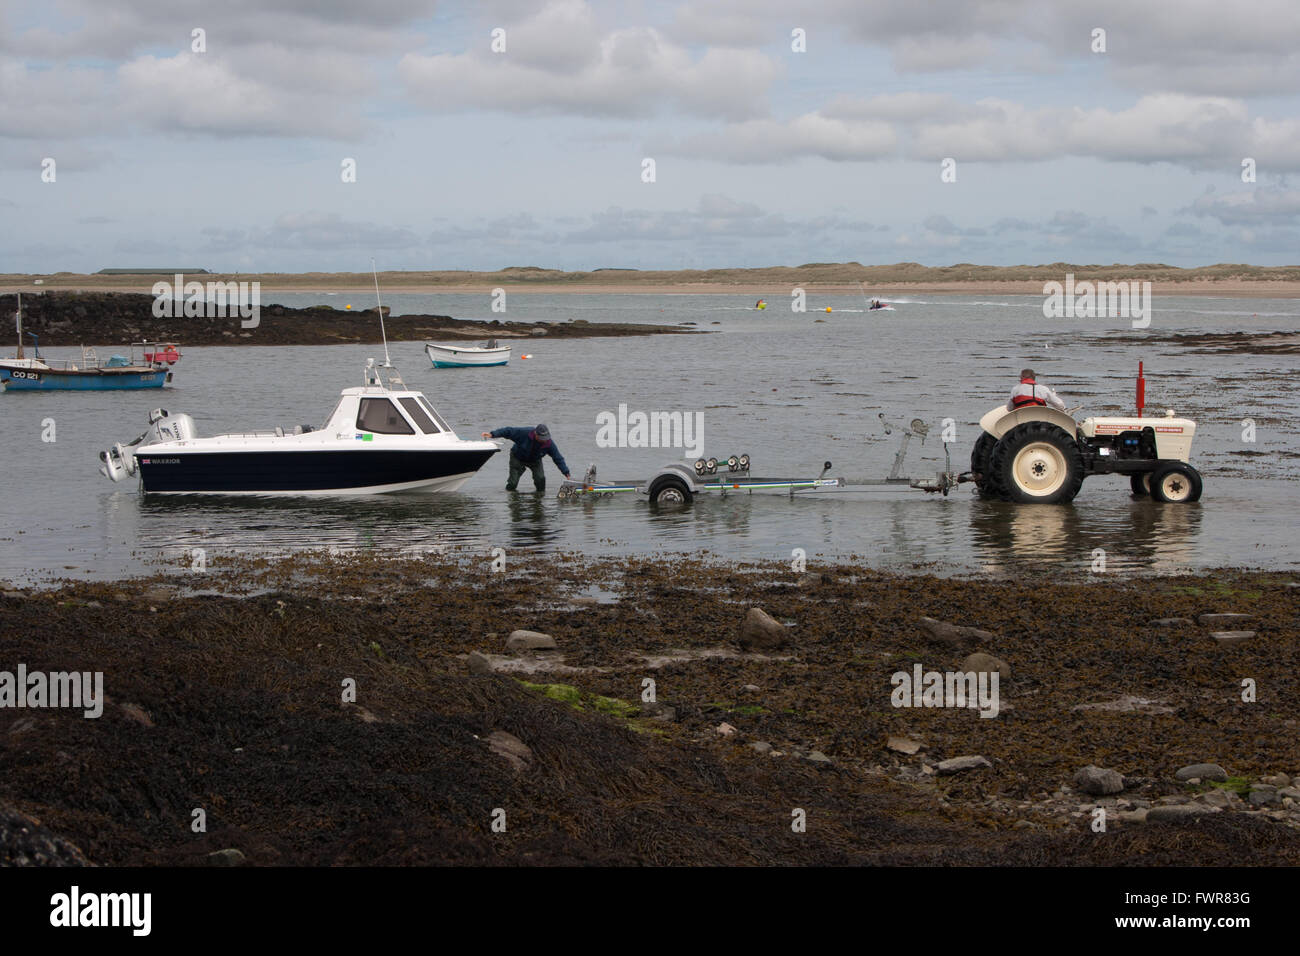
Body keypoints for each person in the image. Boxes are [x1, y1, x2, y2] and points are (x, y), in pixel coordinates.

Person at [481, 423, 570, 492]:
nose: (544, 440)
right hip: (517, 458)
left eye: (546, 438)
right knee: (513, 483)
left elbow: (557, 458)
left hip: (535, 461)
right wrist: (492, 434)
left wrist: (565, 472)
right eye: (542, 438)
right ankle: (510, 496)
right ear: (535, 433)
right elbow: (508, 431)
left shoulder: (549, 444)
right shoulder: (524, 433)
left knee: (540, 479)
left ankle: (539, 498)